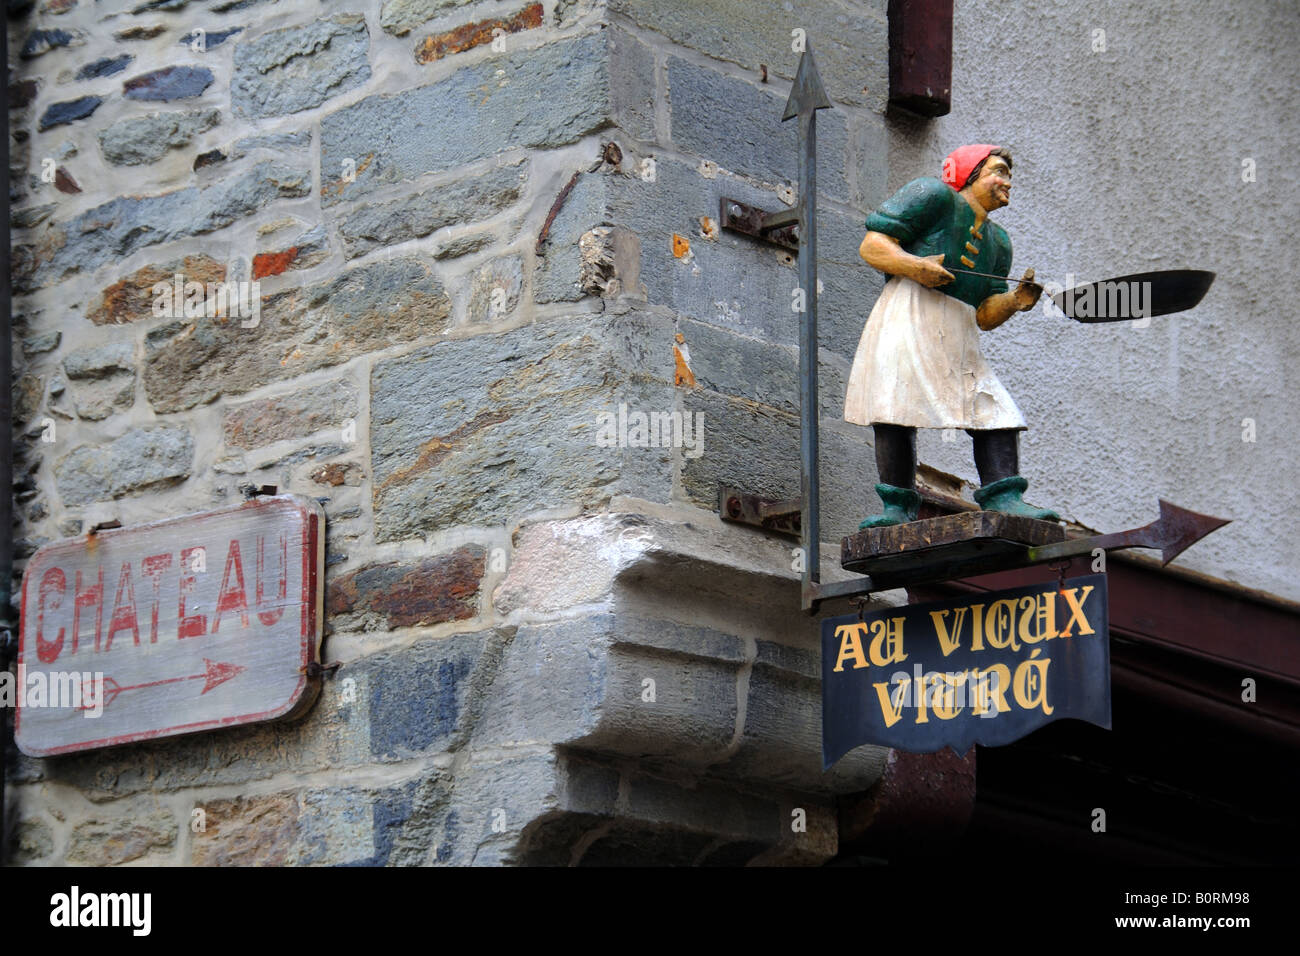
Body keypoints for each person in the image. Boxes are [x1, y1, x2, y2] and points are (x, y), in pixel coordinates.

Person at [845, 144, 1059, 527]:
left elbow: (984, 315)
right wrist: (914, 267)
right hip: (911, 310)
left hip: (959, 327)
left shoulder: (999, 242)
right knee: (895, 404)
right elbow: (873, 245)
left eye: (1009, 175)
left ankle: (1004, 497)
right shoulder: (934, 195)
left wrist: (1014, 301)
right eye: (998, 172)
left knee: (994, 407)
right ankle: (896, 508)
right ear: (971, 174)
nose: (1006, 182)